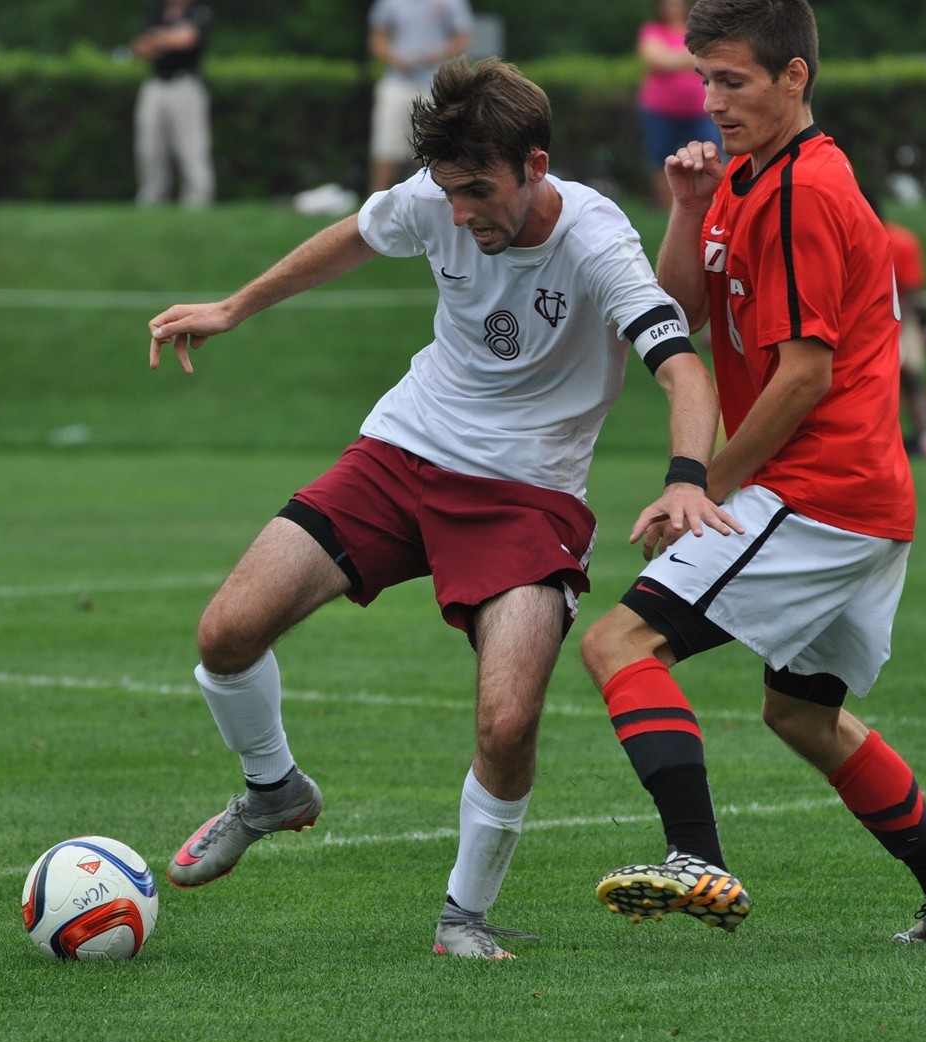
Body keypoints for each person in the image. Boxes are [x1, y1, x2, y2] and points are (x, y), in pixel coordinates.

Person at [148, 57, 730, 960]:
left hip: (527, 495)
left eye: (477, 192)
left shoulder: (596, 241)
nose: (458, 213)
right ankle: (273, 789)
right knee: (225, 632)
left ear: (535, 165)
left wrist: (687, 475)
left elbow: (681, 365)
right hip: (404, 451)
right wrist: (235, 307)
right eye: (448, 191)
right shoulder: (435, 195)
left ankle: (463, 913)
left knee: (507, 721)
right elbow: (353, 234)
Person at [578, 0, 926, 946]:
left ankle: (697, 858)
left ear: (794, 78)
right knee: (803, 714)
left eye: (731, 82)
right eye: (703, 81)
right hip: (863, 501)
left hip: (818, 492)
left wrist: (703, 476)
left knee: (618, 644)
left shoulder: (807, 191)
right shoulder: (744, 177)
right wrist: (689, 209)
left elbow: (805, 375)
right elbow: (679, 314)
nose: (711, 102)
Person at [366, 0, 474, 194]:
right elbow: (377, 38)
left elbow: (463, 38)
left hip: (436, 84)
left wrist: (437, 54)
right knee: (386, 146)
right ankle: (375, 205)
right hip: (397, 82)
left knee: (433, 149)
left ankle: (430, 200)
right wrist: (394, 57)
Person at [869, 192, 926, 460]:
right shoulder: (848, 237)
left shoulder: (900, 242)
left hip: (903, 316)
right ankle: (880, 443)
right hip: (865, 320)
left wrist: (897, 329)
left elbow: (912, 293)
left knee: (911, 375)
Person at [636, 0, 720, 210]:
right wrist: (691, 56)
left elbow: (713, 58)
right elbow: (657, 60)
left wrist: (672, 57)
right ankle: (672, 209)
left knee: (713, 154)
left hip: (700, 109)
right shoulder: (652, 30)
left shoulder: (699, 29)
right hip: (660, 109)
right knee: (660, 159)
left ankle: (716, 207)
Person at [131, 0, 215, 207]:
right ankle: (151, 199)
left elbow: (187, 40)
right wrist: (167, 38)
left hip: (185, 85)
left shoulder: (198, 11)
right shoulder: (156, 11)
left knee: (191, 146)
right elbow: (139, 48)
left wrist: (157, 39)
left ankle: (198, 200)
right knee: (149, 147)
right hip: (156, 84)